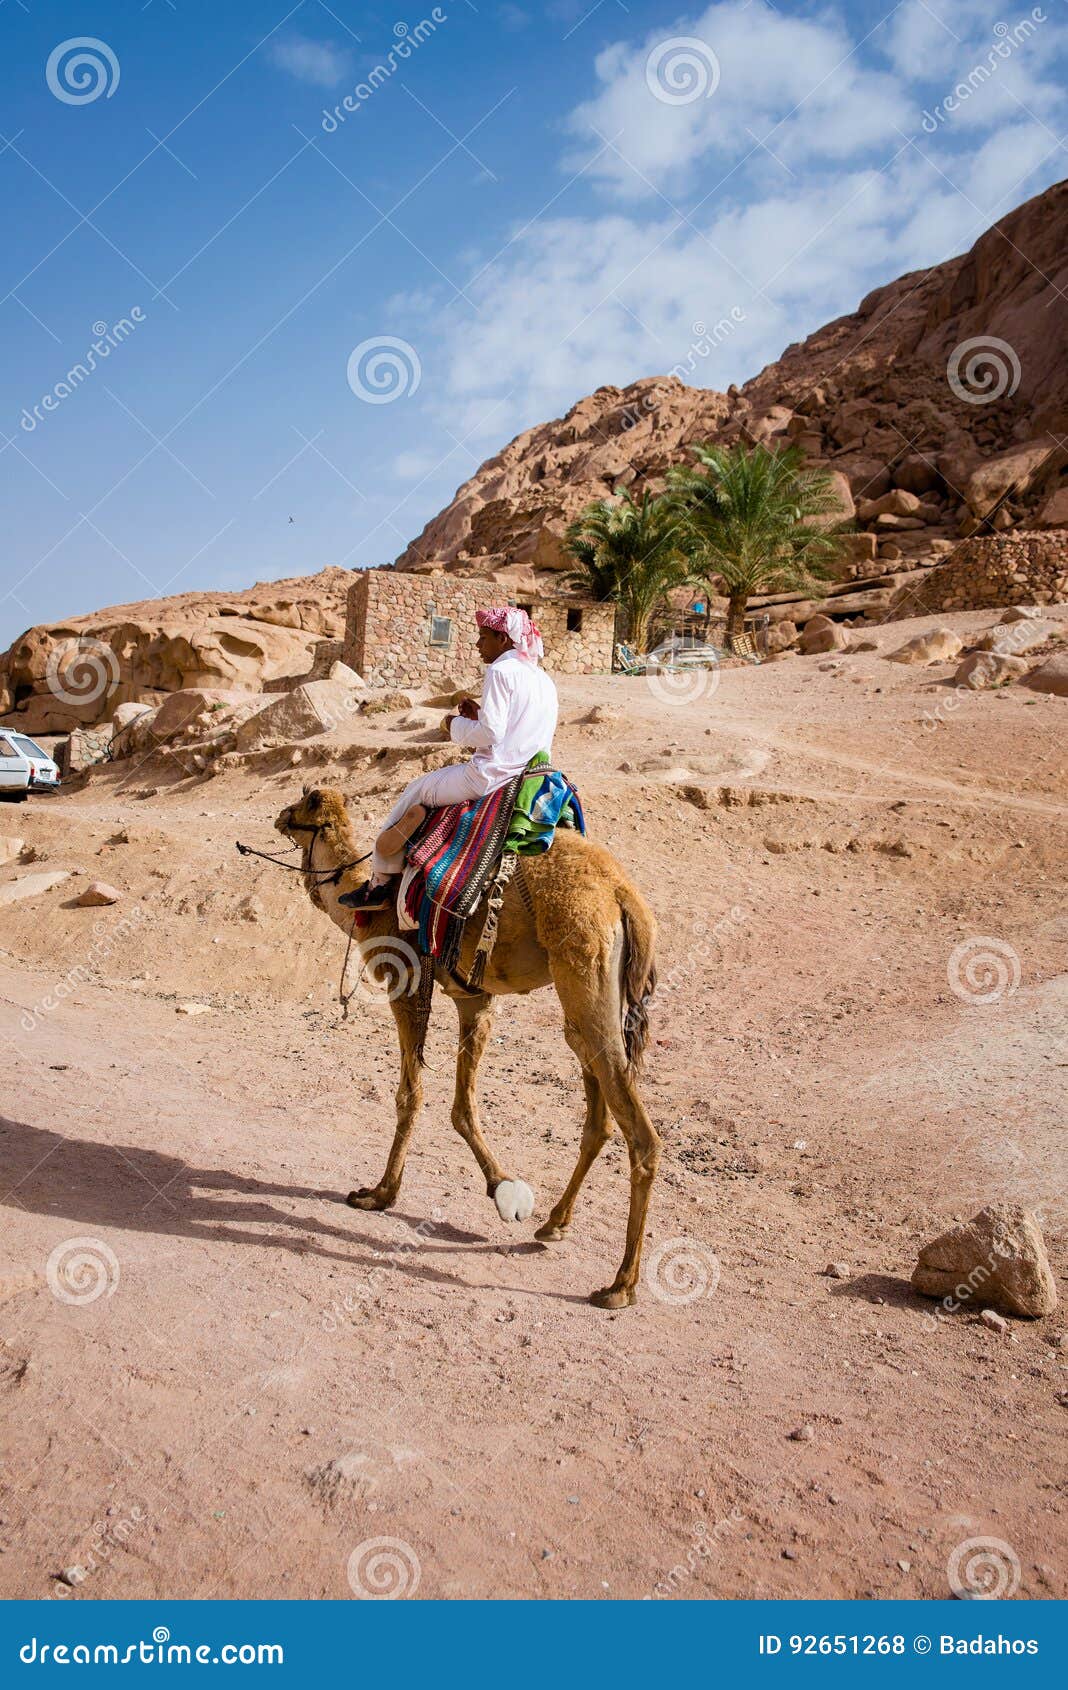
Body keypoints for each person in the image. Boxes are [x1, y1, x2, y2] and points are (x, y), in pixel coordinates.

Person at [340, 606, 558, 912]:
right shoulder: (543, 679)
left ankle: (379, 883)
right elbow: (515, 730)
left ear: (503, 638)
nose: (478, 645)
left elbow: (491, 735)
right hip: (531, 775)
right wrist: (478, 715)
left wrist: (451, 725)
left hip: (489, 776)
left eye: (484, 637)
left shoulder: (500, 671)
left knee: (415, 790)